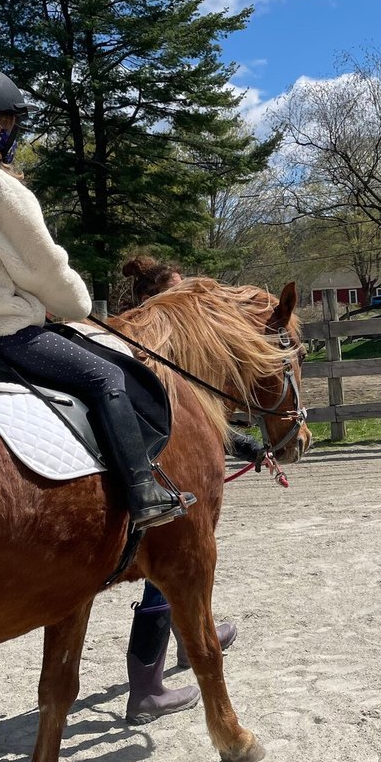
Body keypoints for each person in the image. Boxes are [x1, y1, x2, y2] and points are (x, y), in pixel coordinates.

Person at [0, 60, 194, 532]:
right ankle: (144, 493)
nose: (11, 133)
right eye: (10, 123)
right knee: (106, 378)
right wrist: (73, 302)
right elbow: (50, 273)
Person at [116, 254, 245, 725]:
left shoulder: (173, 354)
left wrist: (246, 445)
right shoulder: (146, 357)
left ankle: (193, 642)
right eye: (178, 294)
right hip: (150, 480)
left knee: (183, 563)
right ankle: (146, 687)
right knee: (163, 570)